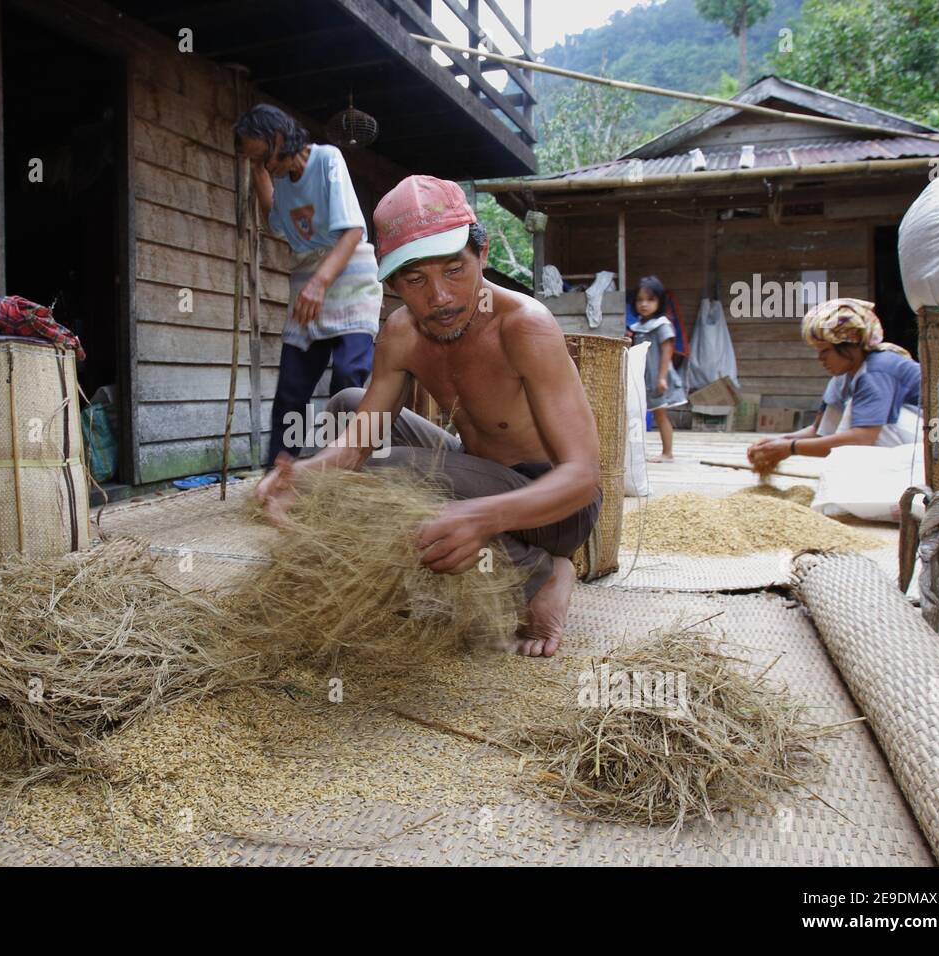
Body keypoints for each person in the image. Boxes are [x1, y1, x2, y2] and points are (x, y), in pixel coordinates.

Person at [255, 175, 602, 657]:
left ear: (481, 256)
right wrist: (298, 476)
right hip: (479, 472)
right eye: (415, 279)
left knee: (392, 471)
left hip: (555, 507)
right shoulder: (401, 333)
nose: (439, 296)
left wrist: (483, 516)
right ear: (393, 283)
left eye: (454, 269)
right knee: (347, 406)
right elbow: (357, 444)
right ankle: (483, 557)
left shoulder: (525, 326)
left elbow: (584, 477)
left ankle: (543, 571)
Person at [232, 104, 383, 467]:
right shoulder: (279, 179)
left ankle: (343, 468)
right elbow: (277, 223)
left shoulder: (327, 159)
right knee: (292, 387)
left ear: (279, 139)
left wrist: (319, 284)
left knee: (348, 378)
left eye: (263, 156)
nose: (266, 166)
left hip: (349, 278)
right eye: (257, 161)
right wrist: (256, 171)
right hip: (308, 280)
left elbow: (352, 230)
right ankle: (277, 473)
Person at [747, 298, 921, 472]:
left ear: (849, 345)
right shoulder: (843, 378)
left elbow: (863, 438)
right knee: (850, 421)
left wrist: (790, 448)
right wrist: (778, 442)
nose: (820, 358)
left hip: (931, 440)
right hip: (902, 437)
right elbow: (820, 431)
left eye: (825, 351)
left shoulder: (876, 370)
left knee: (857, 418)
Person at [630, 276, 686, 463]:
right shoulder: (638, 327)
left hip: (657, 378)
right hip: (644, 378)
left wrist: (662, 378)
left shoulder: (661, 324)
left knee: (660, 414)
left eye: (650, 299)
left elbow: (667, 350)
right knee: (645, 414)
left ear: (660, 302)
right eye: (640, 300)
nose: (644, 304)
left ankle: (667, 452)